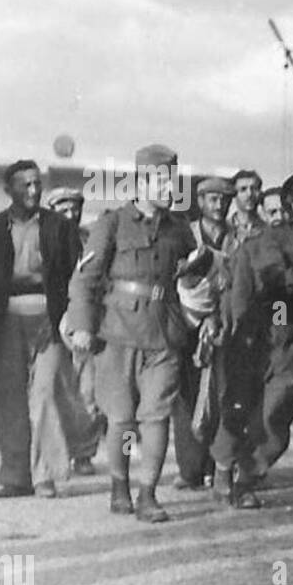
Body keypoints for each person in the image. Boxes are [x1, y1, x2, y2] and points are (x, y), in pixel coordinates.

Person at [67, 144, 196, 521]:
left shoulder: (179, 228)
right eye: (160, 181)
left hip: (164, 333)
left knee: (156, 416)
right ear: (141, 183)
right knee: (122, 418)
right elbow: (84, 279)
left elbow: (196, 276)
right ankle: (119, 486)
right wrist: (82, 326)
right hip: (118, 334)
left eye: (171, 180)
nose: (168, 188)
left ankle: (147, 495)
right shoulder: (112, 224)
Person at [0, 160, 83, 498]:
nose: (33, 190)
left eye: (37, 184)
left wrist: (60, 317)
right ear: (9, 190)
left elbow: (76, 279)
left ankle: (45, 474)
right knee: (8, 397)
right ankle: (13, 477)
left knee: (45, 394)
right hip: (6, 321)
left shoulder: (61, 228)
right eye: (25, 185)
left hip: (49, 320)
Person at [226, 170, 293, 484]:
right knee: (265, 406)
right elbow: (276, 280)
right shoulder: (277, 238)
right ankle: (241, 473)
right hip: (278, 326)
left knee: (283, 406)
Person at [172, 174, 238, 492]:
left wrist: (218, 316)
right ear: (200, 202)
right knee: (186, 396)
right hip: (186, 324)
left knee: (220, 395)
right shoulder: (185, 234)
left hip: (224, 323)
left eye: (224, 200)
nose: (219, 205)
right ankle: (190, 468)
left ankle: (217, 465)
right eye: (213, 199)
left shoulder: (237, 238)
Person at [44, 186, 102, 475]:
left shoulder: (91, 240)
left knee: (89, 390)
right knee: (59, 389)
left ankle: (84, 453)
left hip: (87, 322)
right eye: (63, 210)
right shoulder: (44, 240)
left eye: (74, 209)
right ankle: (59, 452)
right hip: (52, 323)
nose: (69, 215)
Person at [228, 169, 264, 245]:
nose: (249, 194)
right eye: (243, 189)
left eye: (254, 188)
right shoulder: (224, 228)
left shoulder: (268, 229)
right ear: (234, 194)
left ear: (260, 193)